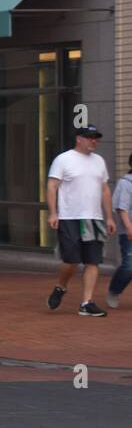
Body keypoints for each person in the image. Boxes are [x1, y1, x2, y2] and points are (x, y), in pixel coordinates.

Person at [46, 125, 115, 316]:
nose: (94, 141)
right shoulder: (64, 159)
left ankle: (86, 303)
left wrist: (109, 217)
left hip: (94, 218)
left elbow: (105, 190)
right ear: (79, 138)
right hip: (70, 217)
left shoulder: (99, 161)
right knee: (71, 261)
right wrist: (53, 213)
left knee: (93, 261)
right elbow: (52, 186)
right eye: (90, 137)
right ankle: (61, 286)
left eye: (96, 138)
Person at [107, 153, 132, 308]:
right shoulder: (125, 183)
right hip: (129, 232)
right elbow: (121, 208)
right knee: (129, 266)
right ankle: (114, 290)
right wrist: (128, 227)